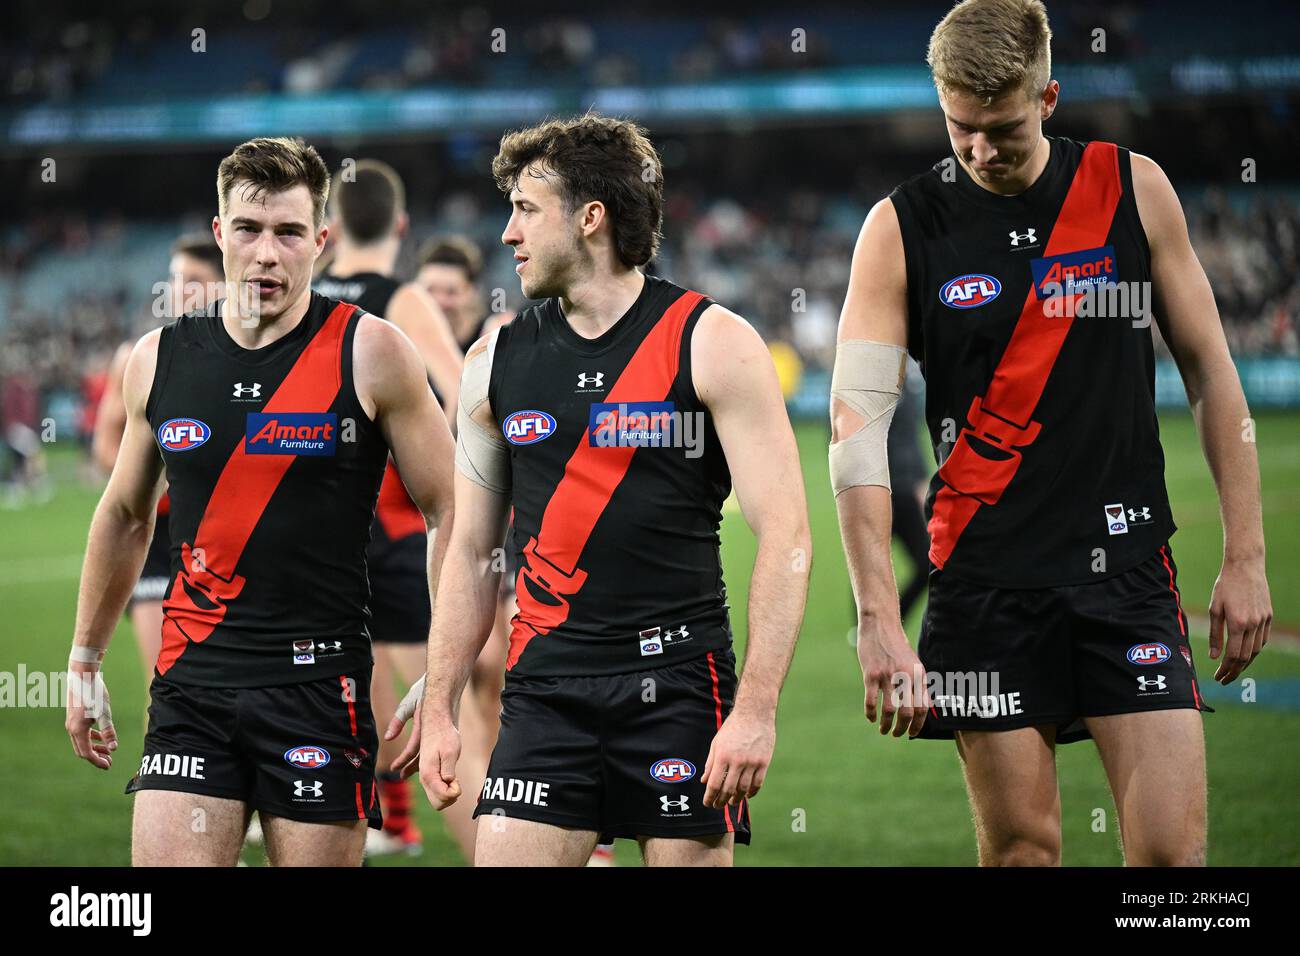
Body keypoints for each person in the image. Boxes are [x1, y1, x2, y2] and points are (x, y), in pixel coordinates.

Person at [831, 0, 1272, 866]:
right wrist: (876, 613)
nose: (981, 151)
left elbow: (1214, 375)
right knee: (1024, 853)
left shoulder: (1132, 188)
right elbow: (857, 431)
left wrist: (1246, 555)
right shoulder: (900, 227)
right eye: (961, 128)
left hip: (1128, 575)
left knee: (1170, 864)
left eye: (1003, 130)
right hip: (983, 584)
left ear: (1049, 97)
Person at [391, 113, 811, 866]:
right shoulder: (494, 362)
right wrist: (444, 696)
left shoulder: (713, 341)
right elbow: (469, 550)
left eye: (524, 209)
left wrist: (755, 712)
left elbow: (786, 535)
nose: (506, 234)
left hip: (682, 687)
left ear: (590, 218)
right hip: (546, 690)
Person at [65, 136, 455, 867]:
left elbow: (453, 511)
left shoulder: (373, 353)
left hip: (319, 691)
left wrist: (447, 662)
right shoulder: (160, 359)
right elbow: (122, 514)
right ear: (220, 234)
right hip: (192, 691)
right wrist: (84, 657)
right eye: (248, 229)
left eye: (288, 232)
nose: (267, 253)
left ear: (323, 241)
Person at [314, 158, 474, 859]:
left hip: (323, 537)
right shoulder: (399, 297)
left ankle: (390, 823)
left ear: (331, 226)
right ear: (401, 225)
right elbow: (467, 385)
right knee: (442, 710)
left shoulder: (304, 293)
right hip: (399, 527)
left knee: (349, 689)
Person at [93, 233, 225, 700]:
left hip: (222, 543)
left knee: (226, 689)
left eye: (193, 280)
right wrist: (155, 480)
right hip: (155, 539)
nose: (177, 289)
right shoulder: (139, 357)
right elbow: (107, 443)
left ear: (225, 287)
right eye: (173, 278)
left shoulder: (252, 365)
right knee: (166, 688)